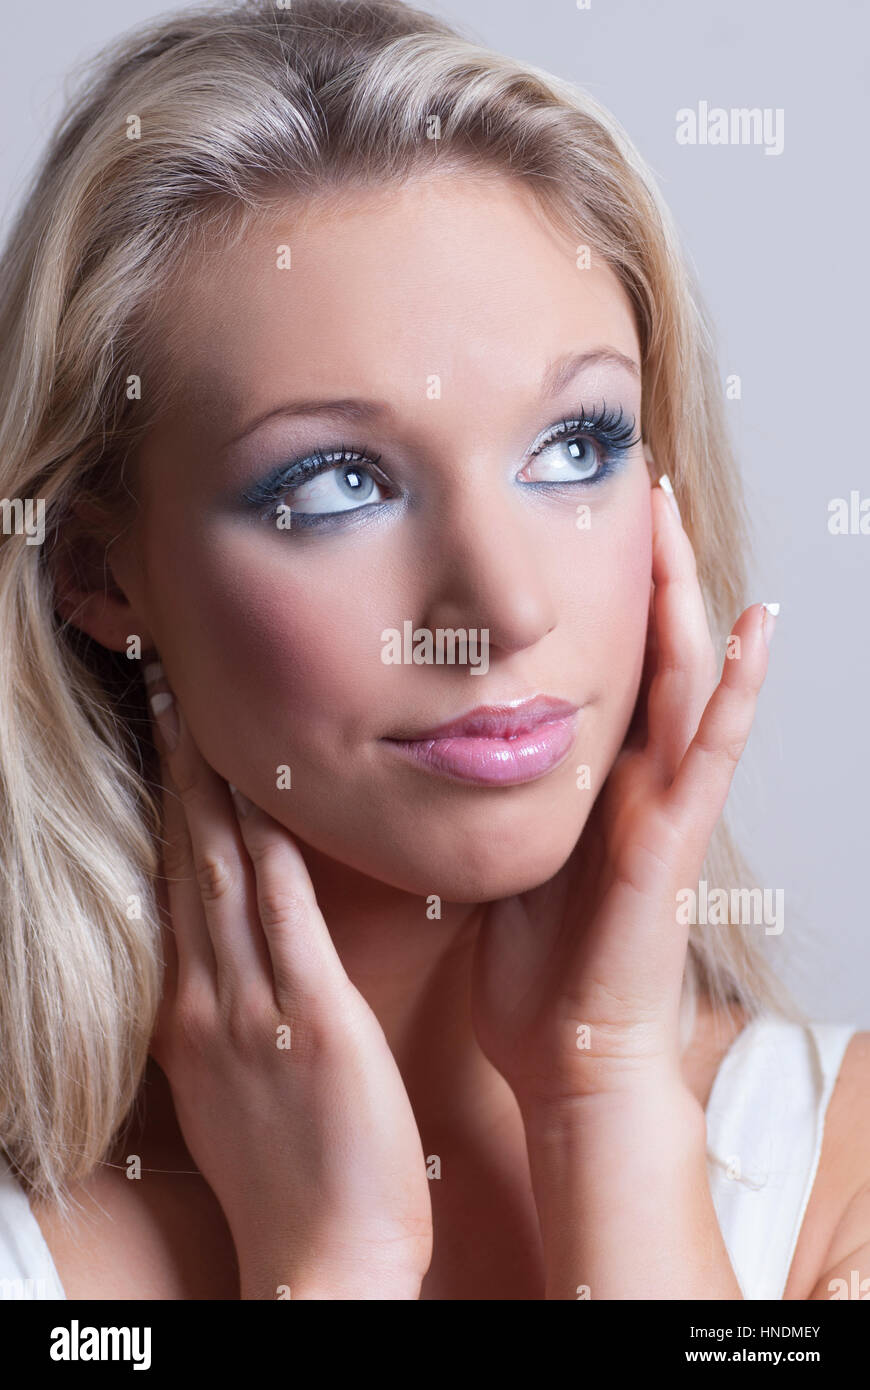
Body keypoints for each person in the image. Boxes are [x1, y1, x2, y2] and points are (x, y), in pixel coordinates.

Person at [0, 0, 867, 1301]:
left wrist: (603, 1099)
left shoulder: (839, 1169)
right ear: (96, 570)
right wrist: (326, 1269)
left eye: (574, 447)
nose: (505, 606)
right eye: (338, 480)